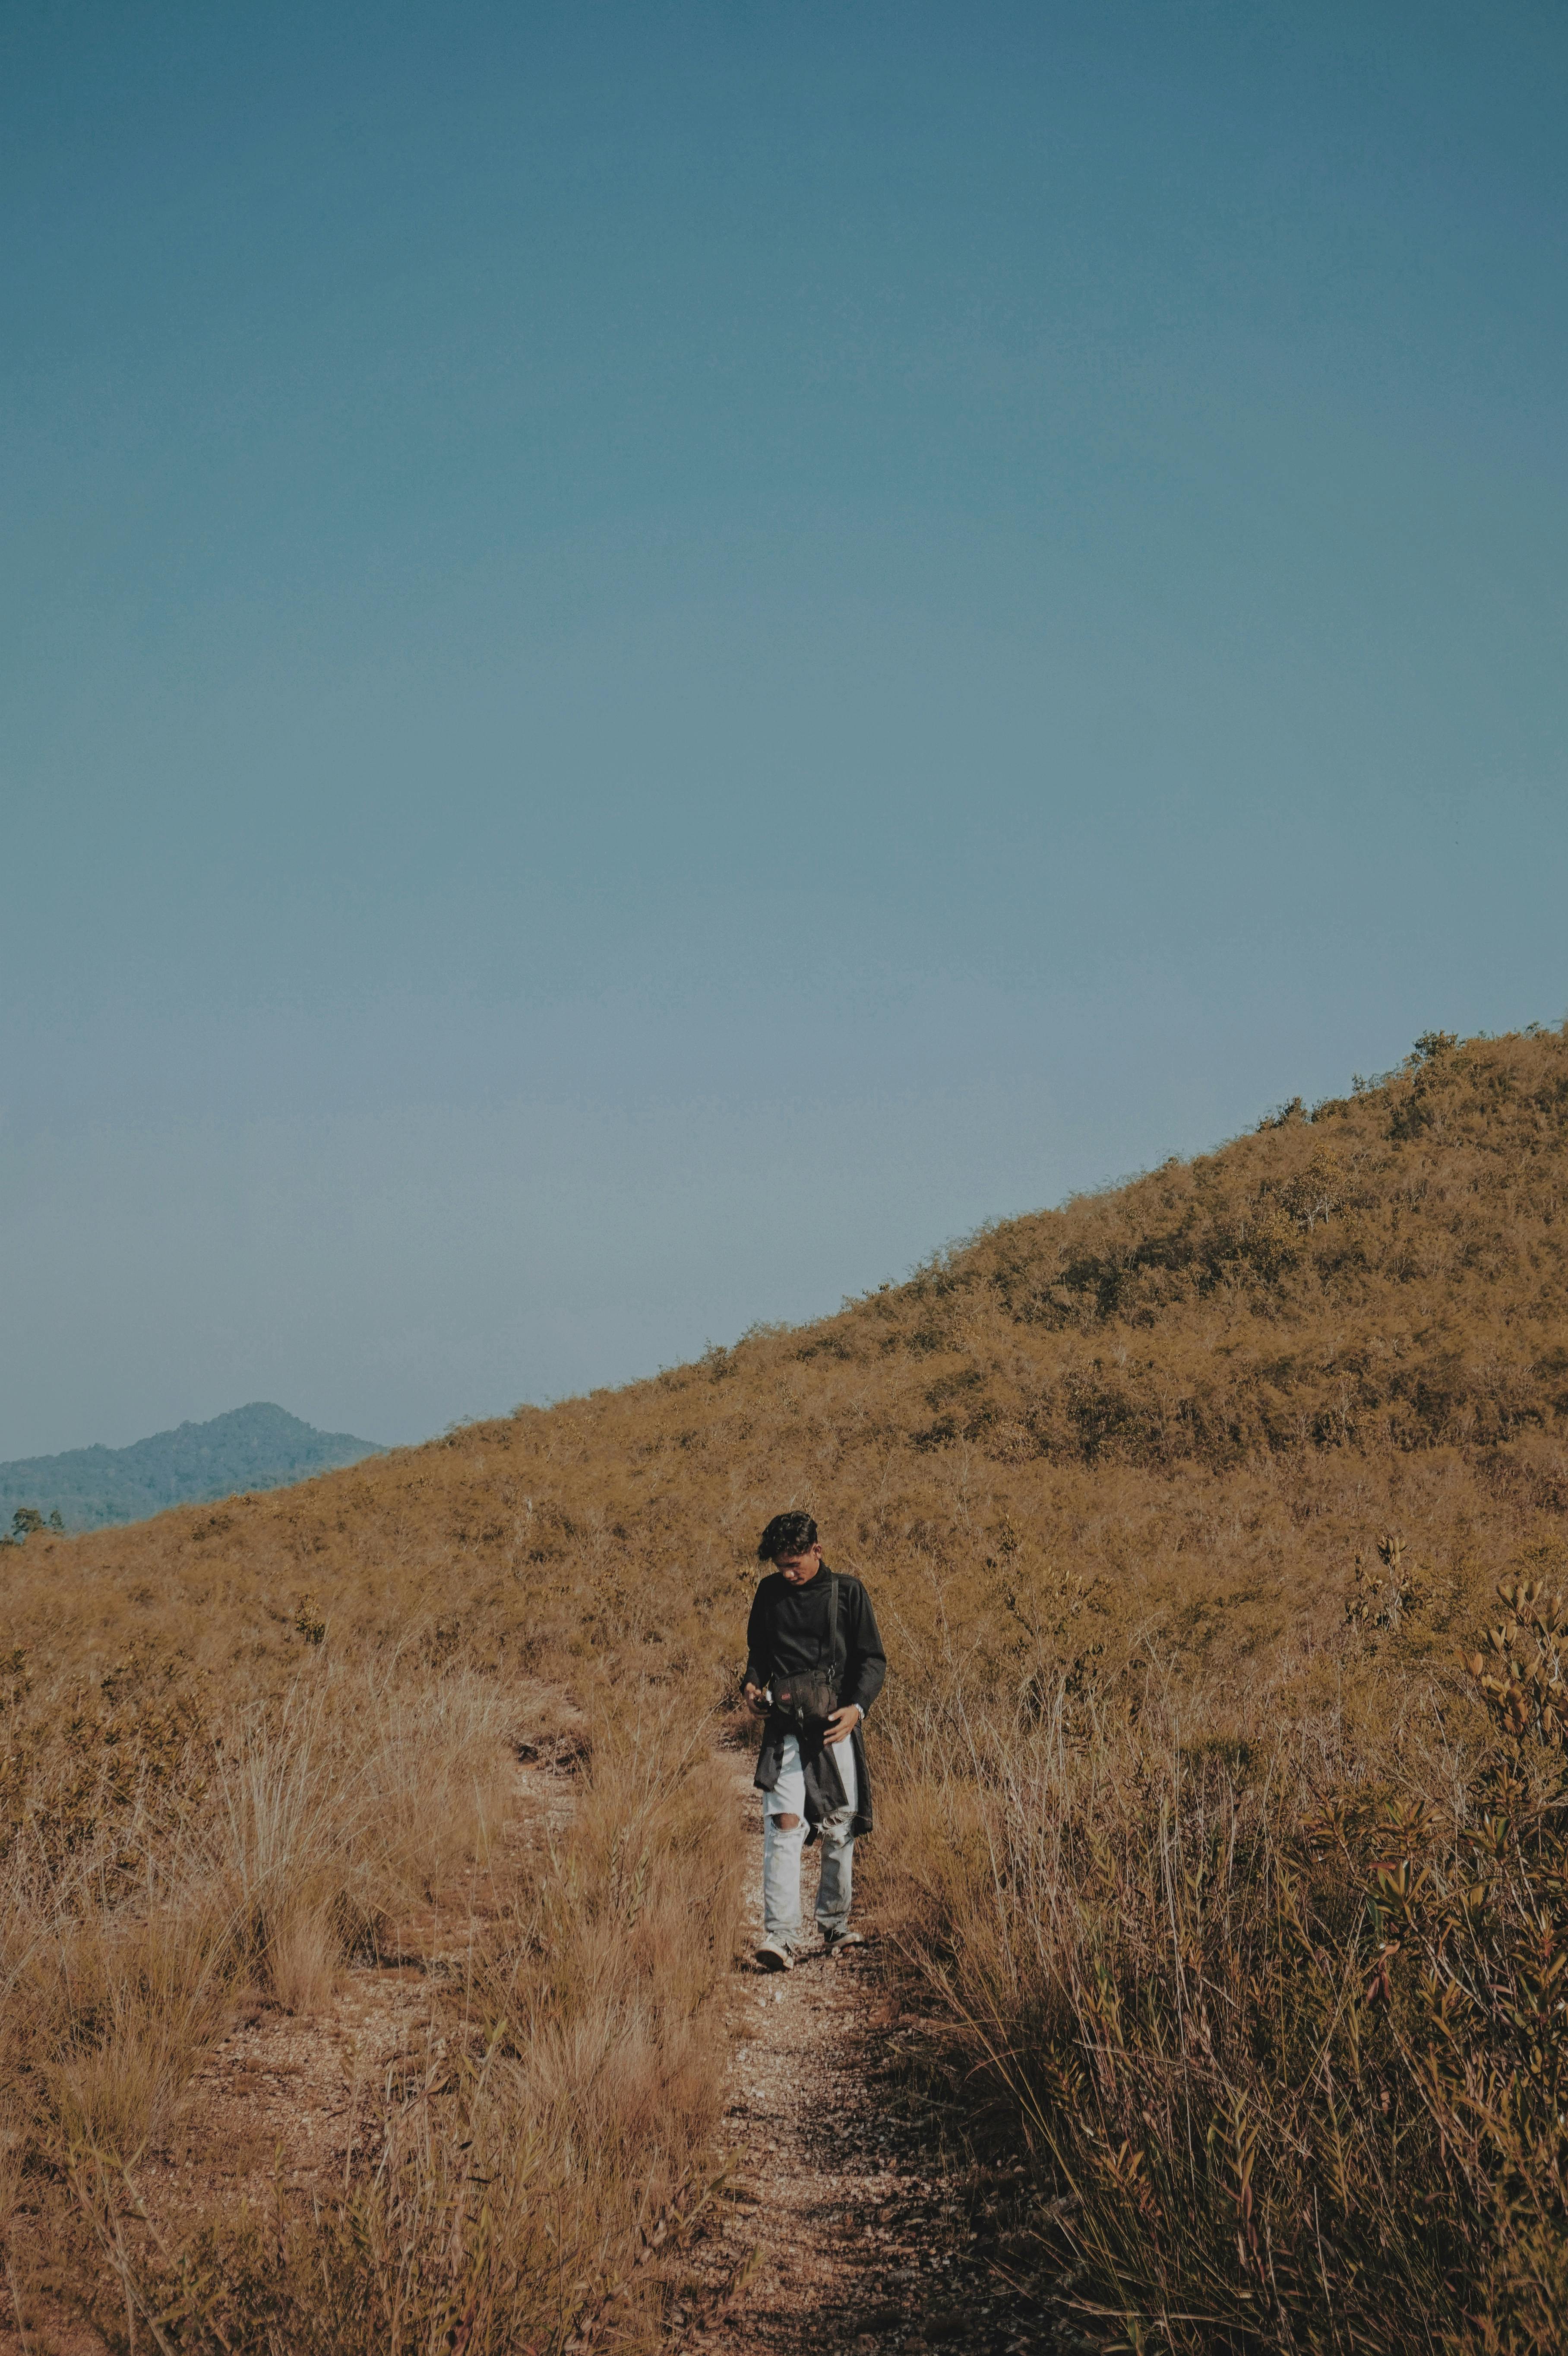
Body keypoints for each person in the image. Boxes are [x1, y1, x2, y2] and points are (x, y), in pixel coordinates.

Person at [741, 1510, 886, 1970]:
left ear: (817, 1550)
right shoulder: (768, 1593)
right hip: (784, 1727)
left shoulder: (848, 1592)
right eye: (781, 1564)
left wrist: (856, 1709)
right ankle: (779, 1936)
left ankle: (834, 1925)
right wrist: (750, 1687)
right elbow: (758, 1656)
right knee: (783, 1827)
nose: (787, 1573)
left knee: (839, 1825)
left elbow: (872, 1660)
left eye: (794, 1563)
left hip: (833, 1726)